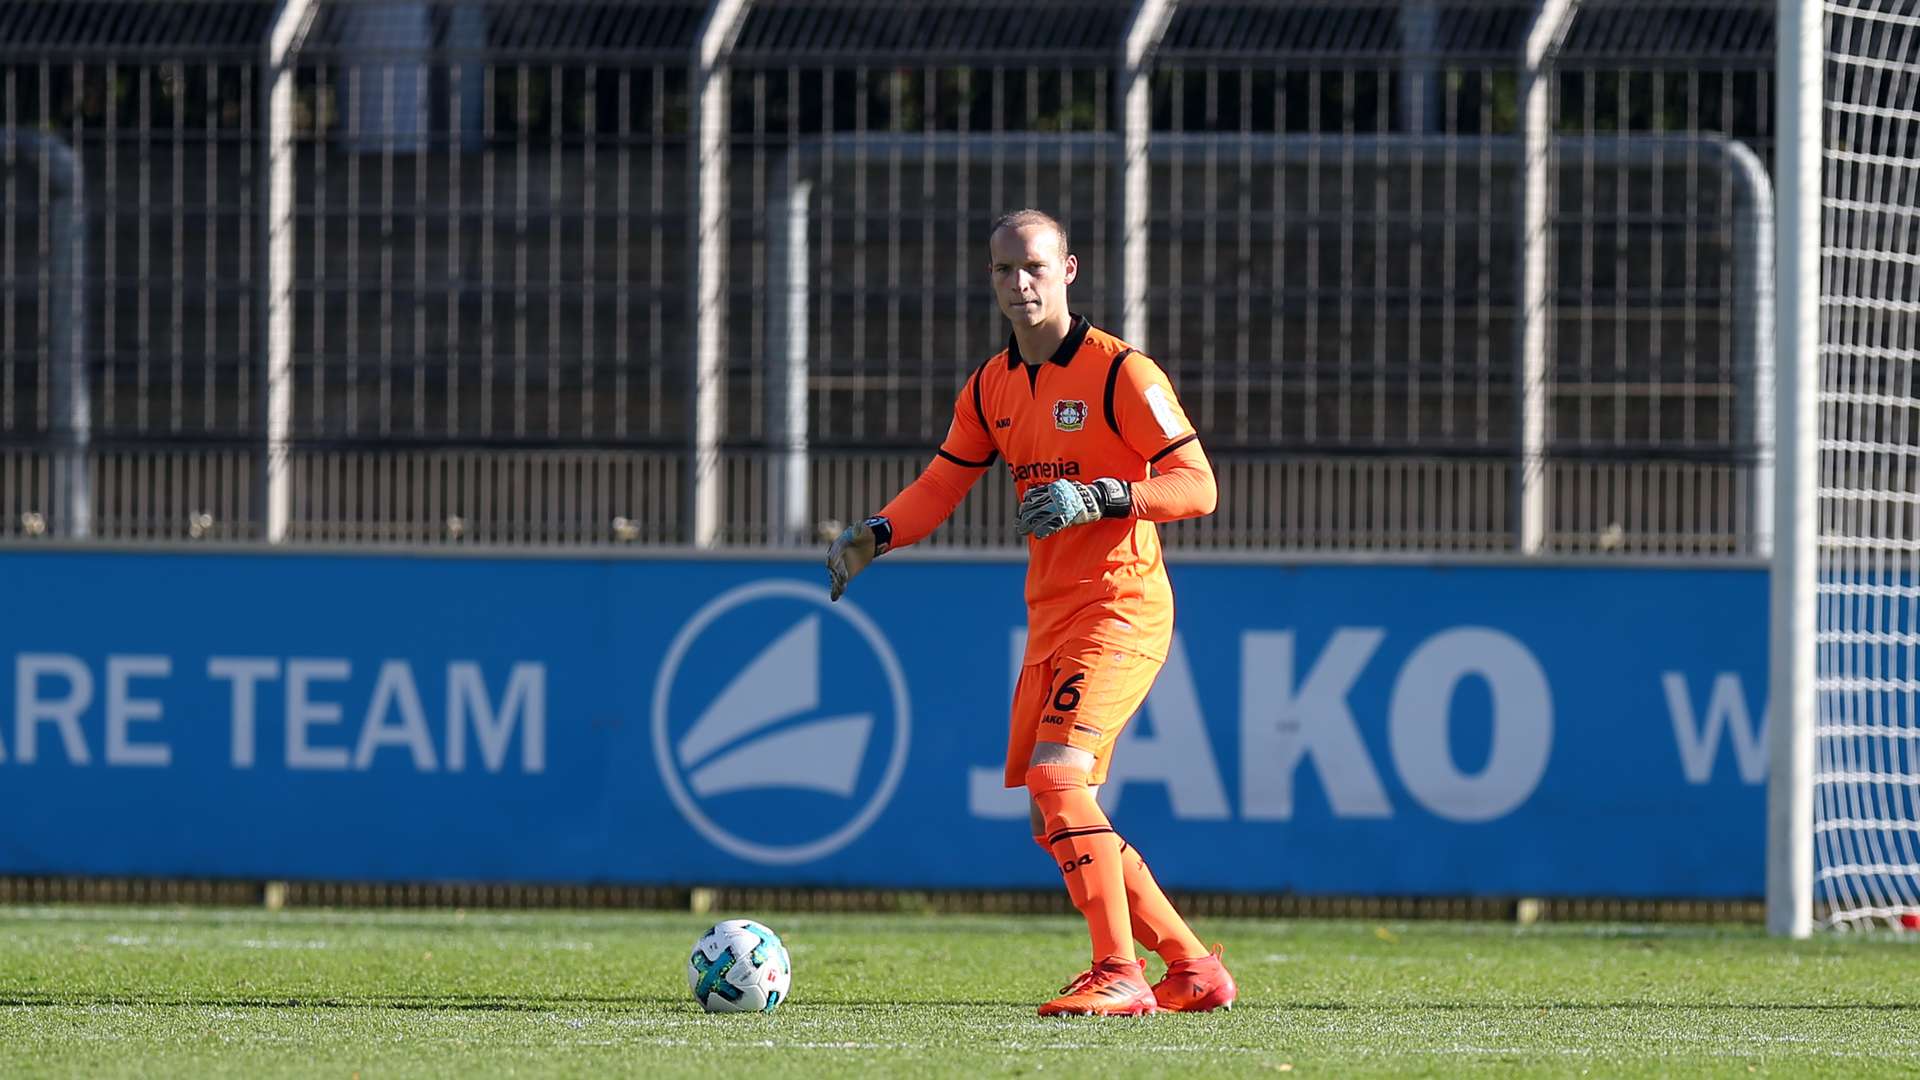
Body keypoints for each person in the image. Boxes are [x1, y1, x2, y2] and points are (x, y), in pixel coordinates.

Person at [825, 208, 1237, 1017]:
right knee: (1055, 817)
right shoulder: (992, 385)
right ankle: (1191, 967)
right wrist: (877, 532)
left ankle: (1118, 971)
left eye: (1035, 268)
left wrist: (1103, 494)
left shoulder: (1124, 375)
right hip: (1053, 615)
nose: (1019, 285)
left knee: (1058, 779)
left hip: (1121, 607)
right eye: (1004, 270)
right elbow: (943, 483)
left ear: (1070, 271)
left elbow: (1199, 486)